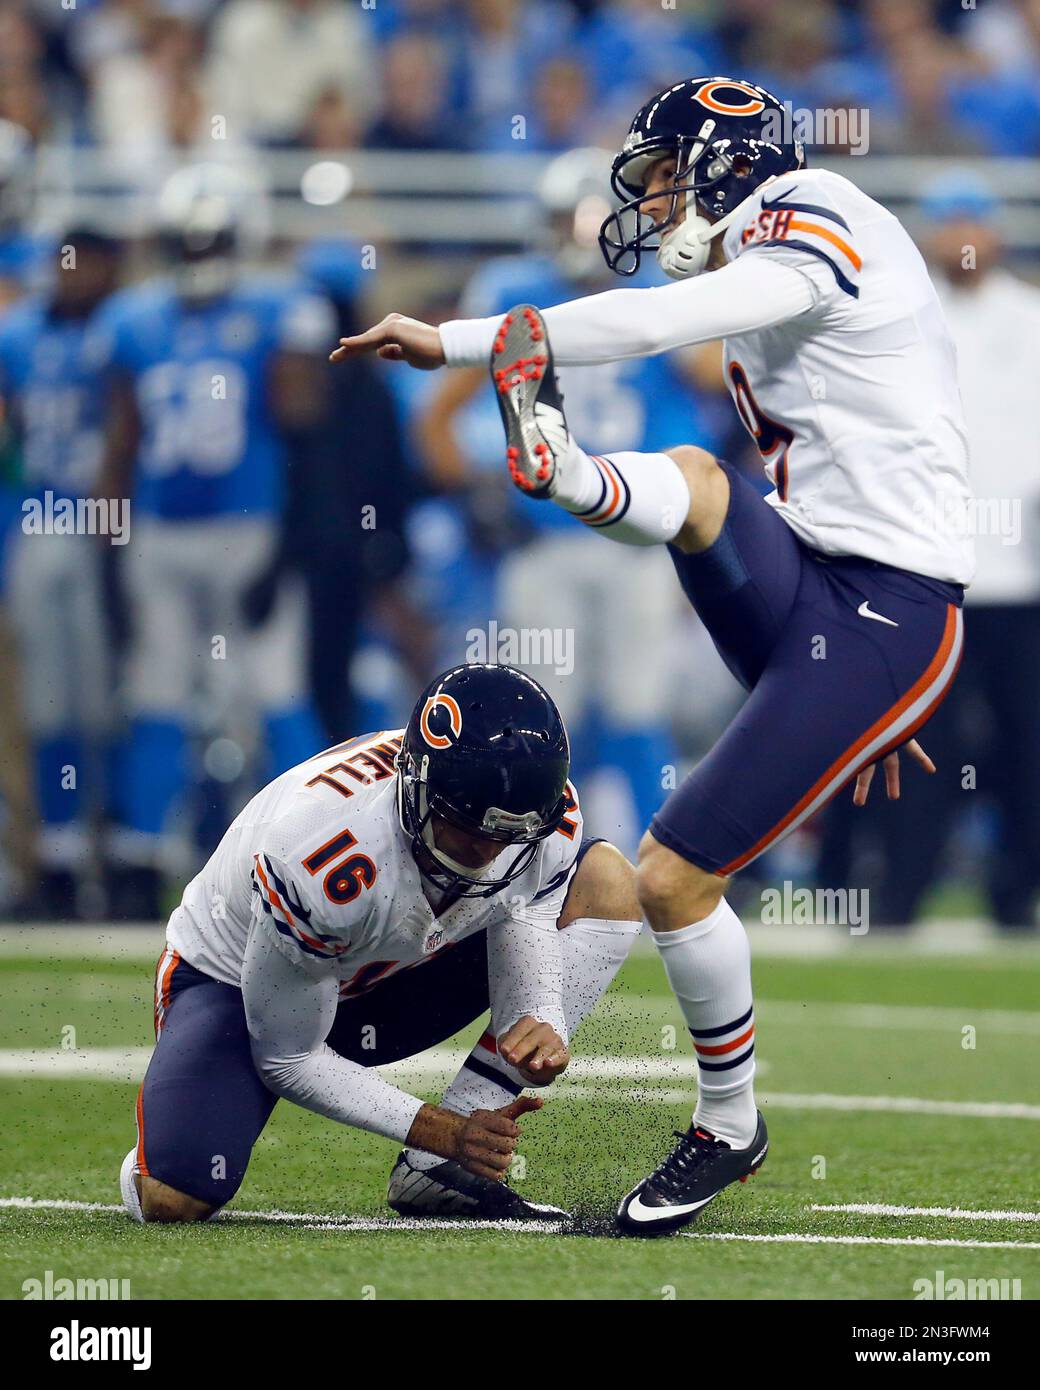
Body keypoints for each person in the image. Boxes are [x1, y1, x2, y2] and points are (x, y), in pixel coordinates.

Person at [331, 76, 973, 1234]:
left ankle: (728, 1125)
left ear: (730, 162)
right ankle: (564, 469)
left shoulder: (816, 215)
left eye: (671, 171)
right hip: (814, 572)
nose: (658, 197)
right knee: (695, 480)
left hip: (886, 607)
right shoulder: (771, 237)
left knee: (671, 877)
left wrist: (458, 342)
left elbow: (647, 323)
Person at [119, 663, 640, 1223]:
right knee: (175, 1197)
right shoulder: (322, 855)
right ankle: (172, 1143)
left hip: (391, 972)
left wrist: (538, 1013)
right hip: (241, 989)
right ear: (415, 786)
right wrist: (445, 1131)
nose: (489, 854)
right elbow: (288, 1058)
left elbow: (525, 899)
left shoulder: (535, 815)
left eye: (508, 836)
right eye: (466, 828)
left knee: (607, 881)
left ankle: (439, 1173)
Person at [419, 147, 713, 840]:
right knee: (544, 711)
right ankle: (542, 857)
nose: (581, 234)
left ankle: (658, 856)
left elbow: (714, 373)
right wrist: (479, 495)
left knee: (638, 706)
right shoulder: (515, 286)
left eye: (593, 219)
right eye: (568, 220)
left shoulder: (655, 285)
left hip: (635, 537)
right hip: (546, 539)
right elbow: (436, 419)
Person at [96, 164, 332, 919]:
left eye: (210, 241)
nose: (198, 256)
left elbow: (305, 438)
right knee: (155, 695)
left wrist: (289, 547)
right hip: (161, 534)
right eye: (187, 242)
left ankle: (317, 843)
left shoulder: (278, 308)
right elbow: (120, 447)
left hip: (247, 529)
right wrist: (109, 555)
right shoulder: (133, 319)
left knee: (274, 690)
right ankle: (141, 855)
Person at [818, 173, 1040, 929]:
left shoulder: (1030, 317)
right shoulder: (906, 317)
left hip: (1022, 576)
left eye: (973, 222)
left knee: (1026, 743)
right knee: (916, 744)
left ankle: (1018, 896)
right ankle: (900, 895)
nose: (962, 238)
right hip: (930, 570)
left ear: (994, 231)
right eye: (948, 223)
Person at [0, 227, 122, 917]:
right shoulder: (18, 335)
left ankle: (114, 854)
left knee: (107, 708)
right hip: (40, 523)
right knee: (49, 708)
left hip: (111, 532)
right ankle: (57, 853)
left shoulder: (125, 330)